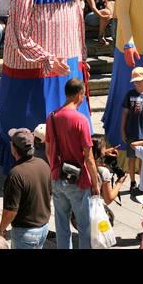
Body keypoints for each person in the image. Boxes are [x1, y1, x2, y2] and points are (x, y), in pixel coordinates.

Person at [44, 77, 97, 250]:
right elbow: (89, 157)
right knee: (84, 228)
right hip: (78, 181)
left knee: (61, 226)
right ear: (79, 95)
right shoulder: (81, 120)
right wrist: (95, 184)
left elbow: (47, 150)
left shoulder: (52, 117)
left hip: (57, 177)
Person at [0, 127, 51, 249]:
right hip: (43, 228)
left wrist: (1, 229)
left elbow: (10, 211)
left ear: (14, 149)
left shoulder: (15, 174)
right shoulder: (44, 164)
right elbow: (49, 196)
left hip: (25, 233)